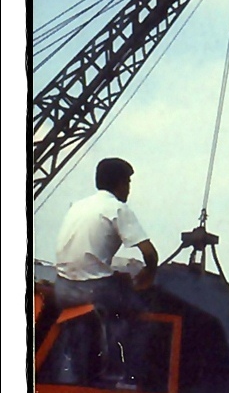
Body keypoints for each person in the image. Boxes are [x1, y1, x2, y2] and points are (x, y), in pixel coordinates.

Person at [52, 158, 159, 380]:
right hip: (93, 289)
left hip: (62, 288)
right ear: (120, 183)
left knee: (83, 321)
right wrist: (149, 273)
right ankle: (120, 374)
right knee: (136, 312)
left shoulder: (78, 206)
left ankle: (76, 375)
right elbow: (149, 253)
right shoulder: (118, 208)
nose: (129, 188)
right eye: (128, 182)